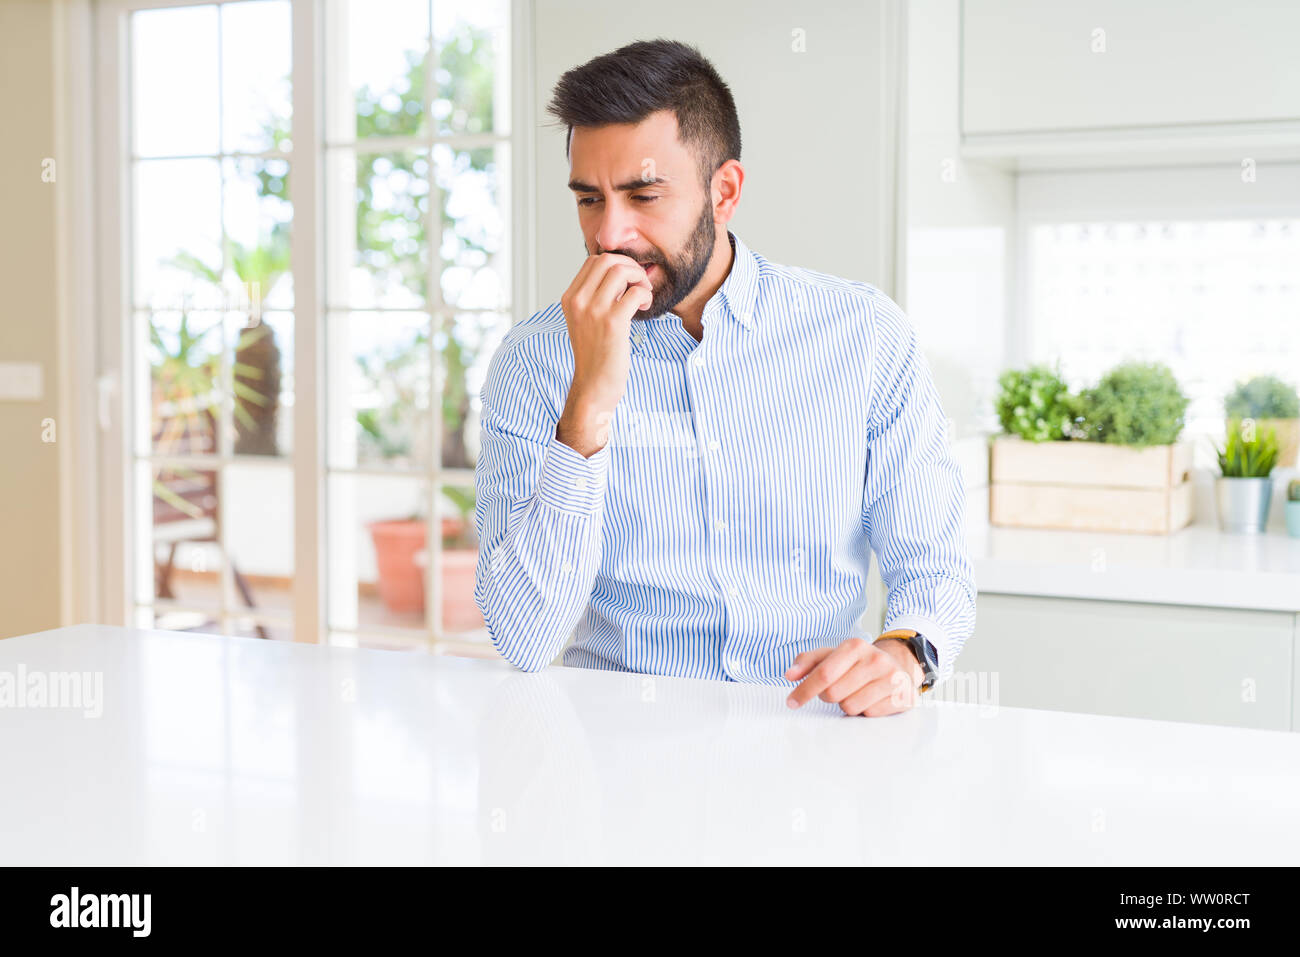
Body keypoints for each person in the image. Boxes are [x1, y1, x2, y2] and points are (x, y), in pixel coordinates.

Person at [473, 38, 976, 717]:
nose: (610, 234)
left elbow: (934, 568)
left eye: (644, 195)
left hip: (815, 734)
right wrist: (587, 405)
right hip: (620, 747)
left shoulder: (863, 335)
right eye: (589, 199)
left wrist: (904, 655)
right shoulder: (534, 362)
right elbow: (524, 637)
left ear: (725, 192)